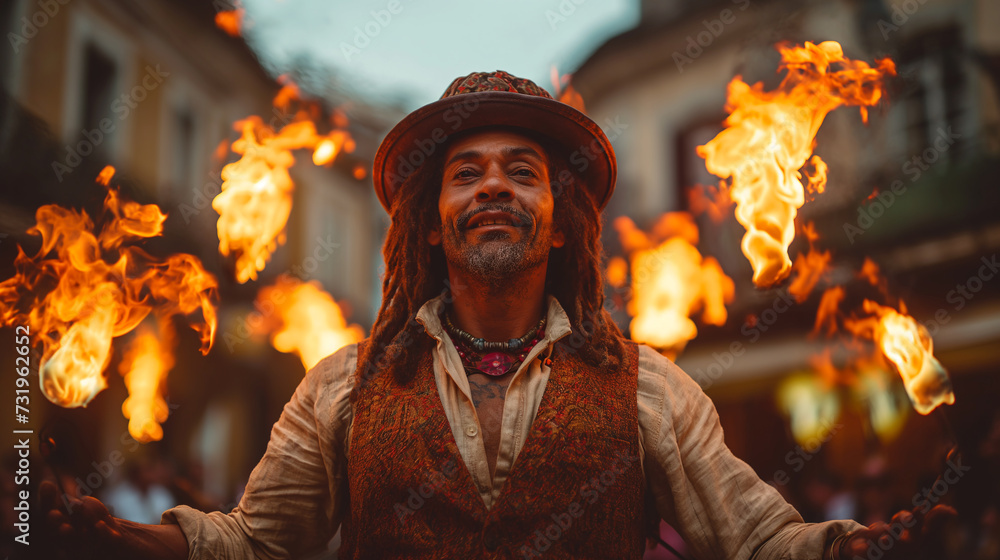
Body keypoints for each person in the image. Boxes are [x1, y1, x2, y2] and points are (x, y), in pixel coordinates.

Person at [42, 70, 953, 560]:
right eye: (466, 171)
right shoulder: (340, 389)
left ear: (561, 224)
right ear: (430, 226)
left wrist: (862, 549)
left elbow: (759, 540)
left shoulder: (654, 391)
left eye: (522, 170)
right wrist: (115, 536)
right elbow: (250, 545)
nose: (493, 188)